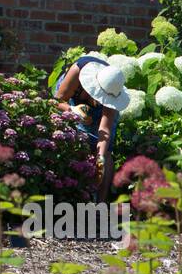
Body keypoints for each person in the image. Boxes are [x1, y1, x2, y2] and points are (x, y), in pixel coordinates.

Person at [52, 54, 130, 201]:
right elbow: (56, 101)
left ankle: (99, 203)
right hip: (69, 100)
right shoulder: (78, 71)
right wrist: (71, 110)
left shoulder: (112, 88)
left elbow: (104, 131)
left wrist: (100, 159)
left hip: (101, 109)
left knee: (104, 154)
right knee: (71, 137)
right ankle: (68, 194)